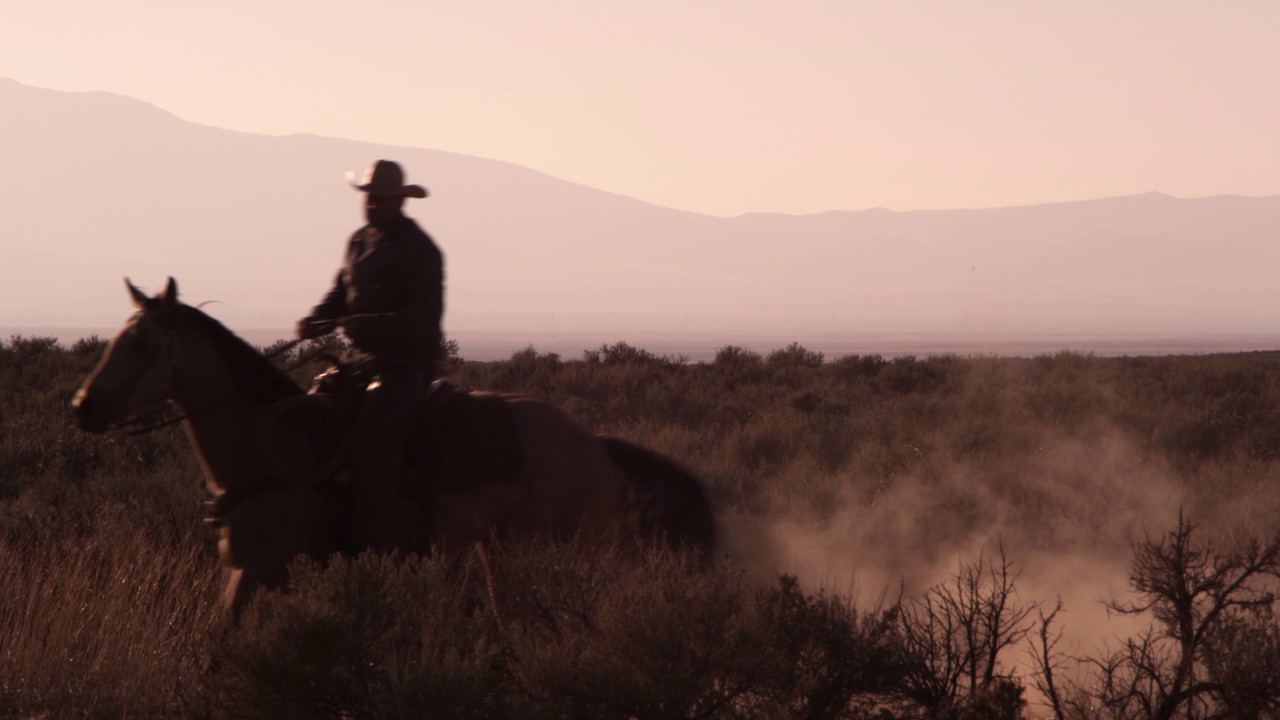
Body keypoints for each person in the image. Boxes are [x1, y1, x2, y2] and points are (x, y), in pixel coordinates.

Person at [297, 159, 445, 552]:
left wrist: (369, 326)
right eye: (369, 197)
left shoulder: (419, 249)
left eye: (380, 198)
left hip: (405, 366)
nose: (372, 204)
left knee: (374, 442)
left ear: (399, 200)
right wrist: (318, 318)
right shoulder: (359, 241)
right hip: (360, 363)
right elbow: (340, 291)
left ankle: (377, 545)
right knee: (310, 415)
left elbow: (425, 318)